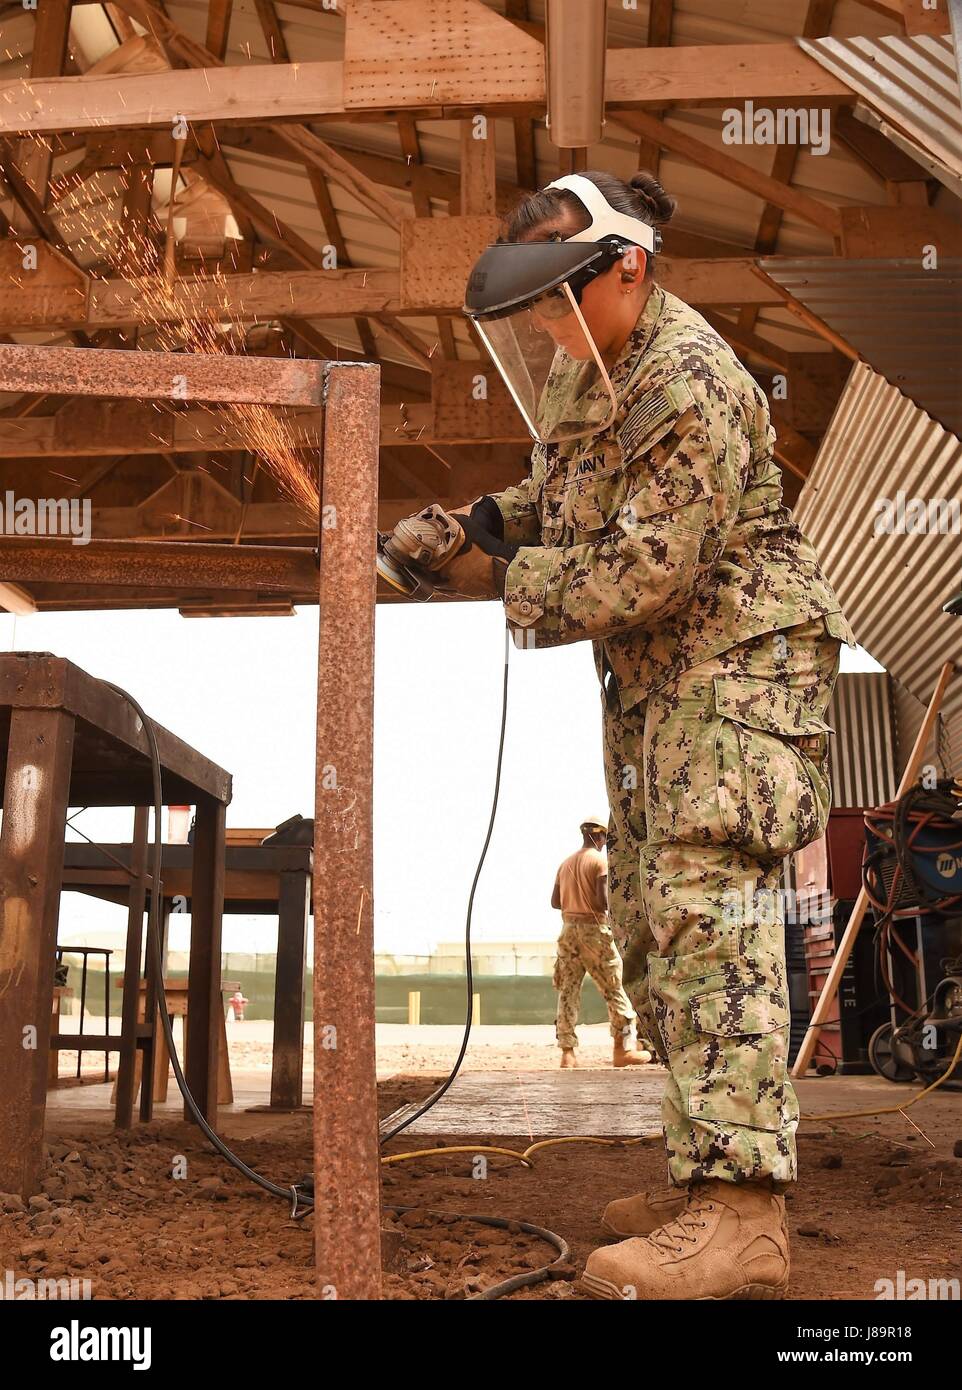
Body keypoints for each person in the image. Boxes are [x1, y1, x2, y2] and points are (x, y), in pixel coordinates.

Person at [385, 170, 855, 1300]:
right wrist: (478, 521)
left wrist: (492, 575)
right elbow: (569, 495)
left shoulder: (685, 381)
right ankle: (704, 1174)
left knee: (704, 919)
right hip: (660, 689)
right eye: (532, 311)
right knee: (649, 920)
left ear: (626, 264)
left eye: (559, 302)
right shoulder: (589, 369)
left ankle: (740, 1216)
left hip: (734, 672)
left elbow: (641, 569)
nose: (546, 329)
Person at [551, 815, 652, 1069]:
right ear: (600, 836)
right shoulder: (599, 862)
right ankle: (623, 1049)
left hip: (567, 930)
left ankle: (567, 1053)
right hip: (594, 930)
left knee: (568, 991)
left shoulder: (565, 864)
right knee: (615, 988)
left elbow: (554, 902)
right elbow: (602, 901)